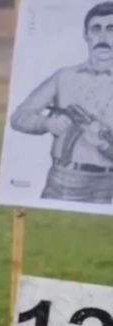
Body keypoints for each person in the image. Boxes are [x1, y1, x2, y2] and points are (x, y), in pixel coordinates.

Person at [10, 1, 113, 204]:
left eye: (111, 29)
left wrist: (102, 142)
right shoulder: (63, 78)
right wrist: (47, 124)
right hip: (64, 181)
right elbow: (19, 118)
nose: (103, 37)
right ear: (86, 35)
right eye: (96, 28)